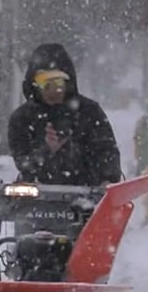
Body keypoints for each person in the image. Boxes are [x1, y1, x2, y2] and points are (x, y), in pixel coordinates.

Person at [7, 43, 122, 186]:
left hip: (88, 195)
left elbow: (106, 151)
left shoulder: (90, 112)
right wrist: (46, 150)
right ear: (34, 85)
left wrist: (107, 179)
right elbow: (23, 162)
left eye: (57, 83)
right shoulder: (22, 118)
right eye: (44, 84)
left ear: (68, 83)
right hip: (37, 197)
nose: (52, 91)